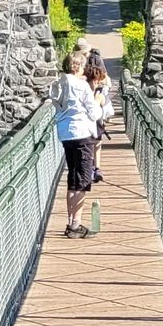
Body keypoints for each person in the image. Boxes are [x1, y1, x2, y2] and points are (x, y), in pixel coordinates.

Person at [53, 48, 100, 236]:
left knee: (73, 178)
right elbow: (94, 113)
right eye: (83, 66)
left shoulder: (58, 84)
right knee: (82, 180)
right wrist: (97, 100)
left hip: (66, 135)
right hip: (82, 134)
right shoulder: (81, 86)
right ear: (77, 66)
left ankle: (71, 222)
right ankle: (75, 226)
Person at [83, 49, 112, 182]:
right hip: (92, 109)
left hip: (92, 109)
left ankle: (94, 168)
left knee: (94, 139)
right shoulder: (83, 80)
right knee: (94, 139)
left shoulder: (88, 62)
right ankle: (94, 168)